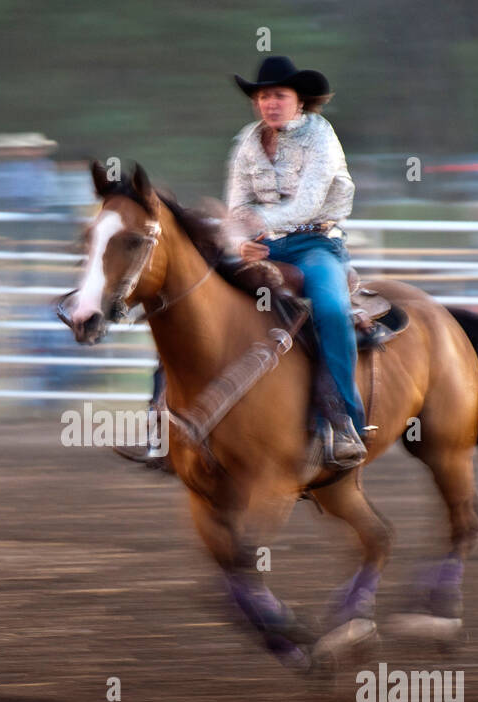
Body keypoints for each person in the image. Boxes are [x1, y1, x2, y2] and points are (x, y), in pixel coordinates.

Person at [123, 56, 368, 470]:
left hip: (316, 245)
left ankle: (345, 421)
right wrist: (240, 243)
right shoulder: (247, 142)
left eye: (279, 95)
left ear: (300, 101)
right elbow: (236, 204)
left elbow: (306, 203)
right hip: (259, 244)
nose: (270, 103)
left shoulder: (321, 138)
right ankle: (162, 417)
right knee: (191, 298)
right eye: (263, 96)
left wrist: (255, 229)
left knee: (330, 308)